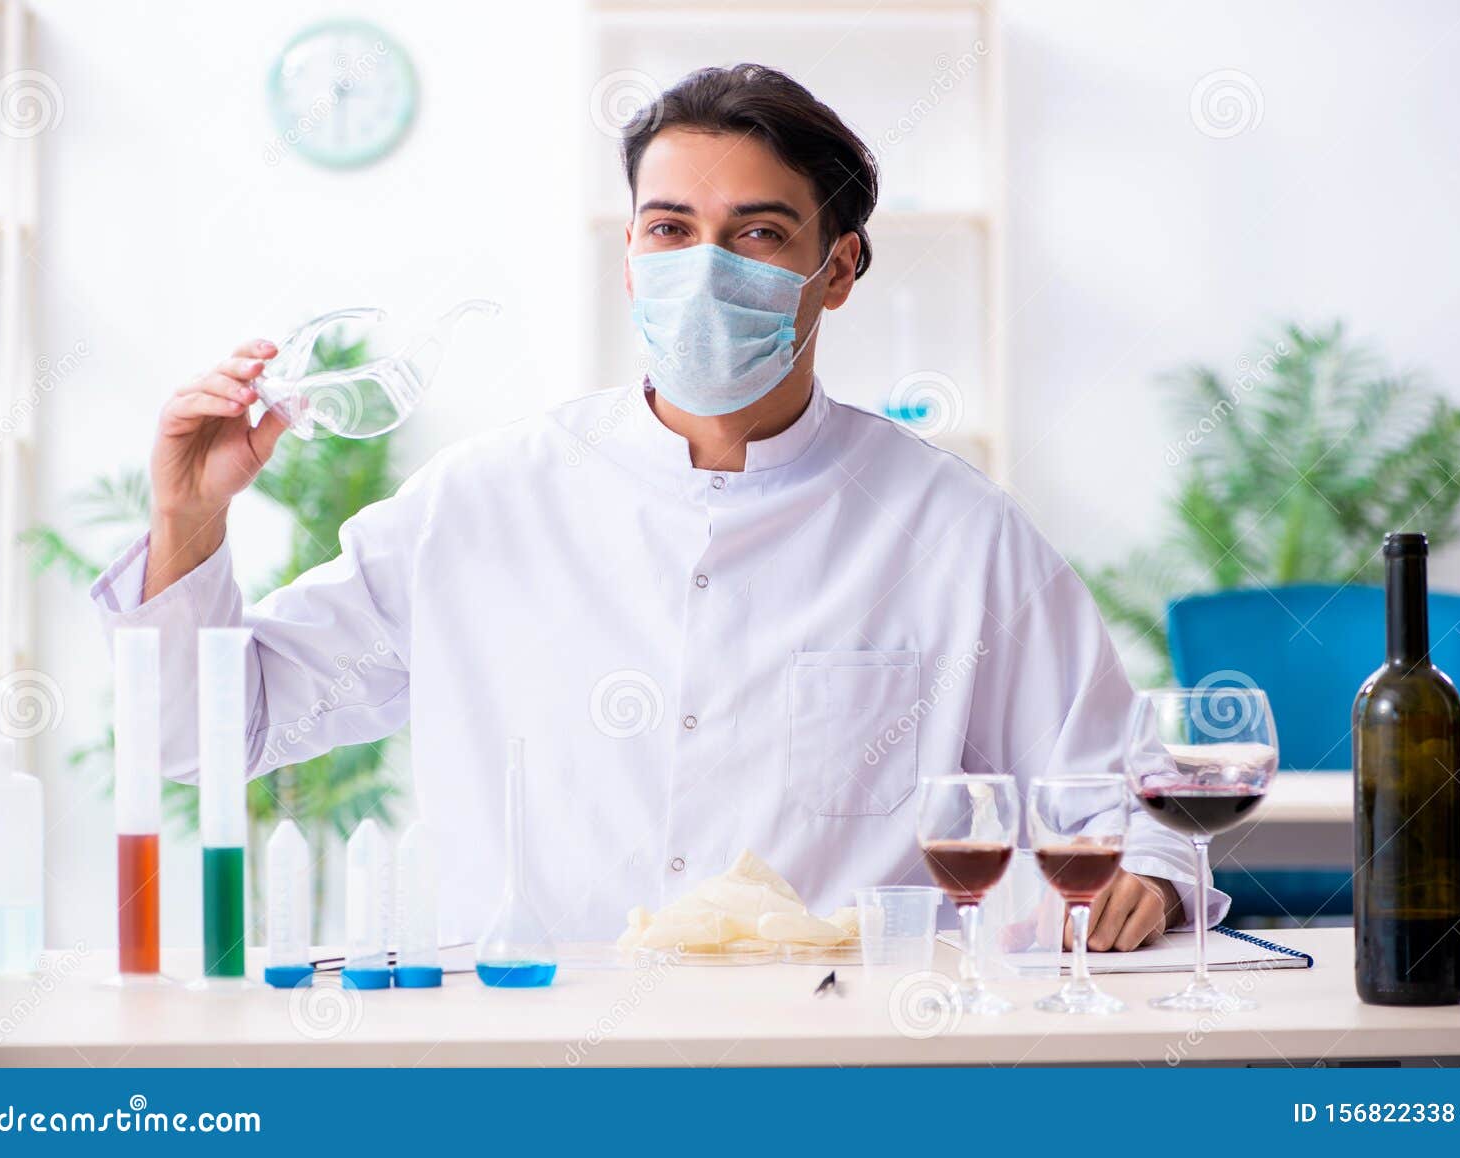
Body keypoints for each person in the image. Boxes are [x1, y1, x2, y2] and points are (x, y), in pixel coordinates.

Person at [91, 64, 1226, 948]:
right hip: (525, 1055)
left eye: (760, 232)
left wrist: (1154, 881)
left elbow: (1127, 803)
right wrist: (190, 522)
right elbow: (205, 737)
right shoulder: (478, 506)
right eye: (670, 228)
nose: (704, 263)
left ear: (837, 268)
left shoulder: (957, 532)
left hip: (843, 1060)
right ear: (632, 257)